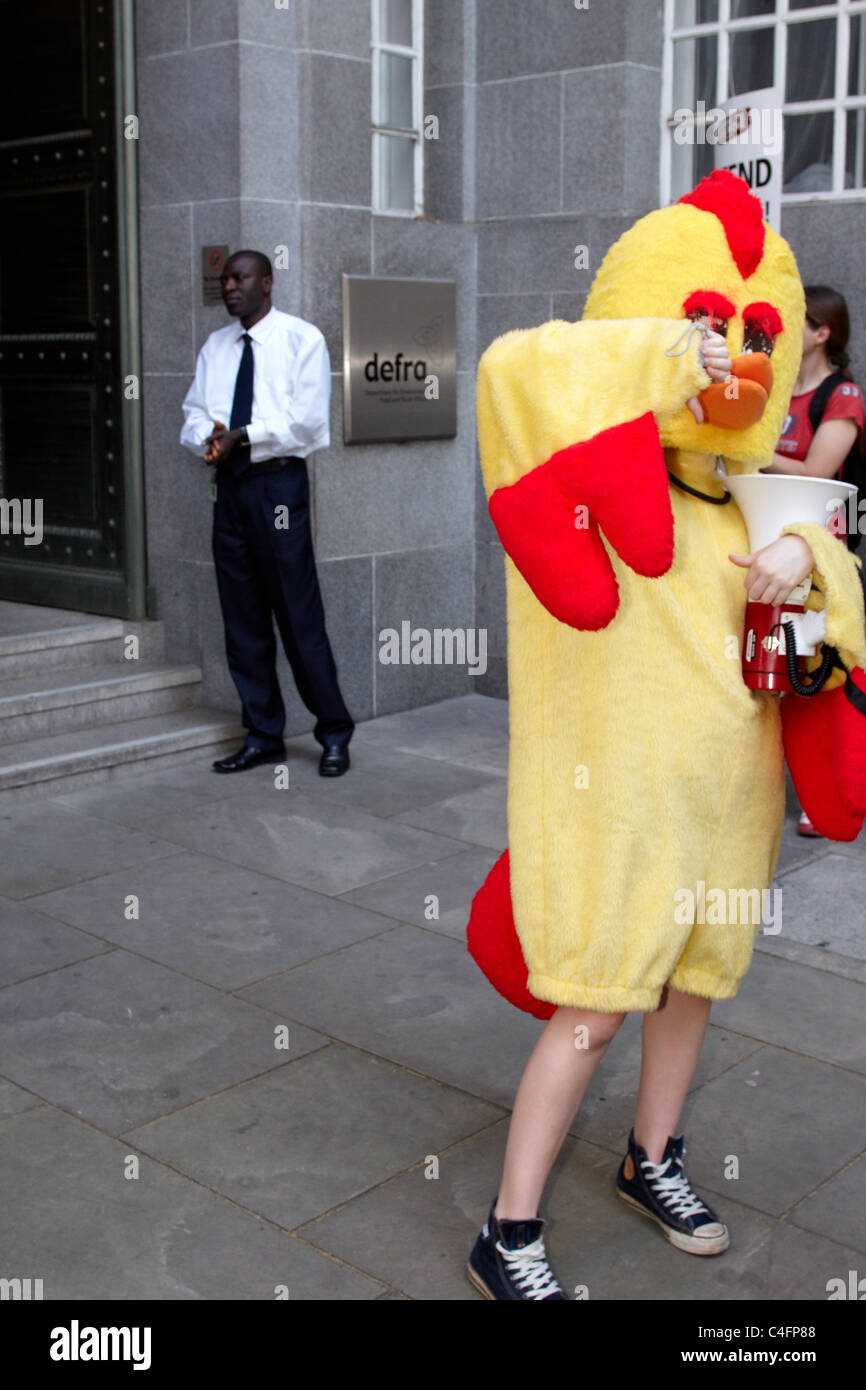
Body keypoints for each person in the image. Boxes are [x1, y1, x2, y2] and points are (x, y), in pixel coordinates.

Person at [464, 172, 866, 1300]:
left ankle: (652, 1158)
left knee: (693, 985)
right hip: (615, 806)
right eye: (707, 322)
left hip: (725, 809)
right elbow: (516, 370)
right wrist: (663, 355)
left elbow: (834, 611)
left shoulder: (753, 499)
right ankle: (508, 1227)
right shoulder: (589, 476)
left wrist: (809, 562)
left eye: (749, 333)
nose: (731, 352)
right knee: (593, 1004)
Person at [180, 250, 354, 776]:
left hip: (278, 487)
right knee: (243, 619)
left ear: (267, 282)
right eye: (225, 279)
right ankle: (263, 734)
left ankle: (334, 733)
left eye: (240, 278)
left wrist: (245, 436)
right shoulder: (216, 346)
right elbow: (193, 411)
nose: (229, 286)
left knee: (299, 616)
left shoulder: (302, 339)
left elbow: (307, 424)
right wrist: (206, 440)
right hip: (229, 490)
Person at [765, 286, 865, 835]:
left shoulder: (841, 393)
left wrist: (757, 453)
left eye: (795, 320)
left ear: (822, 332)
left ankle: (824, 790)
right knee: (771, 670)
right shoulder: (776, 390)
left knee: (815, 674)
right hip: (766, 543)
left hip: (818, 557)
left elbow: (821, 473)